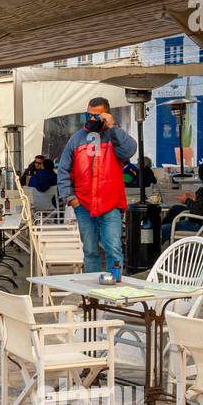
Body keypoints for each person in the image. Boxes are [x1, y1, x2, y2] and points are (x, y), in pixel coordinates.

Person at [56, 97, 136, 274]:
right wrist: (70, 198)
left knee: (113, 248)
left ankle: (114, 288)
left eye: (96, 116)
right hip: (83, 204)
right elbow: (63, 170)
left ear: (106, 115)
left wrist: (113, 128)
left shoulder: (115, 136)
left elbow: (129, 151)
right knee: (90, 250)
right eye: (88, 115)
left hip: (110, 204)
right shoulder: (76, 139)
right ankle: (91, 291)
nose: (91, 119)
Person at [161, 160, 203, 242]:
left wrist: (186, 200)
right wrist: (195, 197)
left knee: (163, 230)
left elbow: (199, 211)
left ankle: (160, 236)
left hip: (201, 224)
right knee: (175, 208)